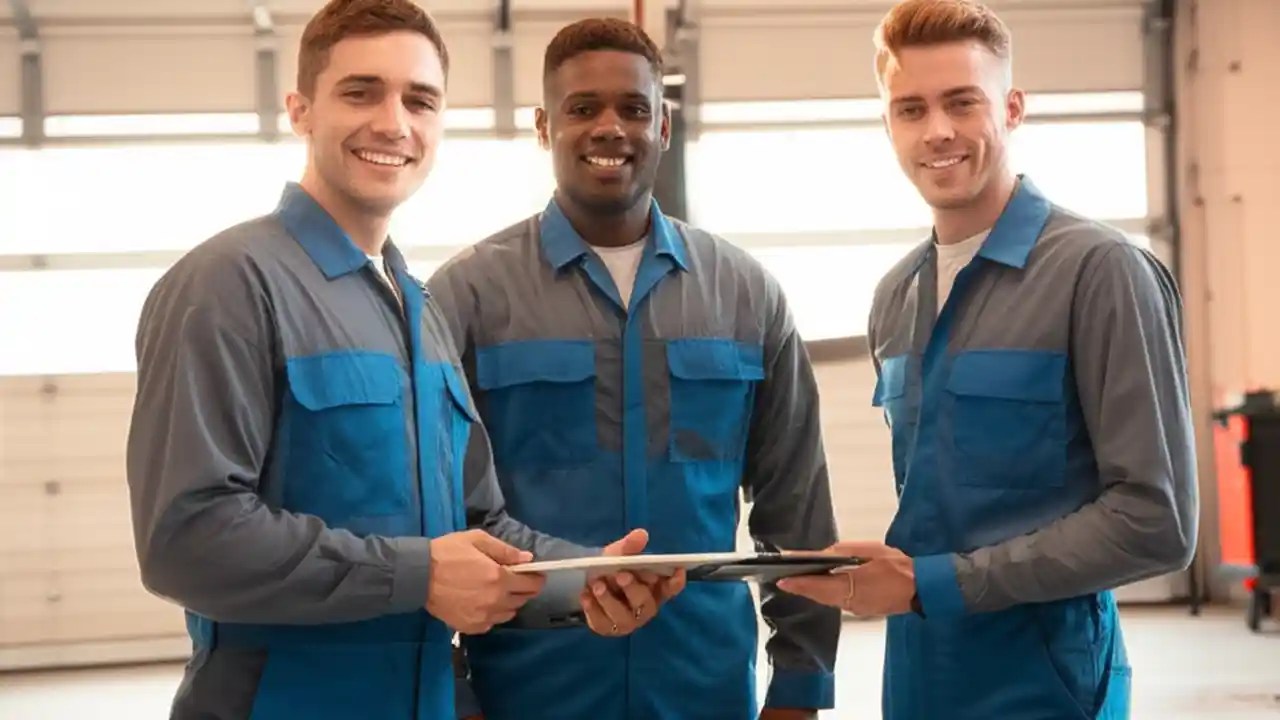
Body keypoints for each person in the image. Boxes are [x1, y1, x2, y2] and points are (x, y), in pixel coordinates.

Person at [124, 2, 682, 719]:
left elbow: (480, 525)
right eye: (361, 92)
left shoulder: (418, 310)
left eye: (420, 100)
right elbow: (185, 540)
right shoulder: (228, 285)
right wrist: (416, 576)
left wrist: (586, 579)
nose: (394, 123)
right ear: (300, 110)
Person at [775, 1, 1198, 719]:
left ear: (1012, 107)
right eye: (910, 109)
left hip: (1045, 685)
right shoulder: (895, 295)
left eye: (961, 103)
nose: (936, 131)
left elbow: (1156, 521)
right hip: (917, 677)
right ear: (888, 126)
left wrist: (928, 584)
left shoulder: (1101, 273)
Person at [427, 17, 841, 720]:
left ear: (665, 127)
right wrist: (453, 693)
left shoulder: (746, 294)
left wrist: (800, 685)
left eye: (634, 109)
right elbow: (433, 522)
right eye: (582, 109)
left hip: (703, 683)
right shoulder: (465, 298)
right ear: (542, 126)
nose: (610, 128)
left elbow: (794, 506)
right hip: (526, 690)